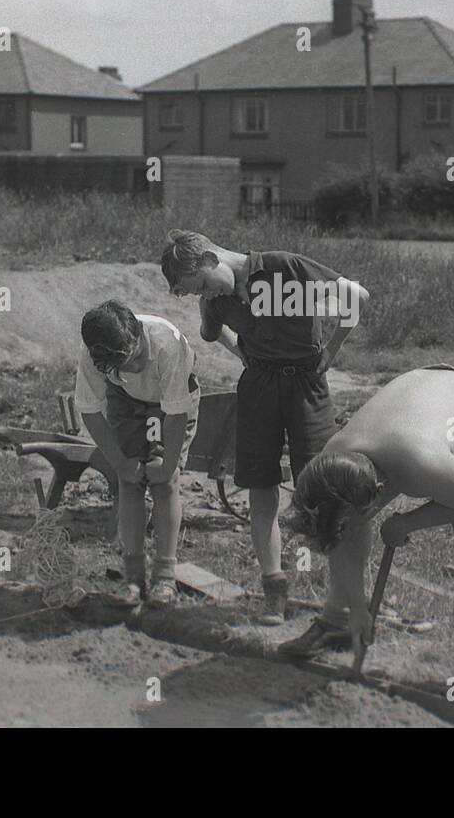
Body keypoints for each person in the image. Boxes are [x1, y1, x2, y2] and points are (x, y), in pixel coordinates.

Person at [281, 364, 454, 703]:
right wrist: (358, 606)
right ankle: (339, 619)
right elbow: (341, 530)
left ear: (380, 486)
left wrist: (406, 523)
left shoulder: (421, 462)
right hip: (423, 409)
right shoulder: (332, 460)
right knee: (346, 520)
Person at [161, 230, 368, 625]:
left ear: (209, 259)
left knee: (324, 486)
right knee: (260, 487)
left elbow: (358, 297)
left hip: (307, 383)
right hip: (258, 388)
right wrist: (240, 352)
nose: (204, 295)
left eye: (203, 284)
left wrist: (333, 349)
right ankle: (274, 589)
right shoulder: (216, 301)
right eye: (196, 293)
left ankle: (343, 593)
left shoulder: (282, 266)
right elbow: (210, 332)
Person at [75, 300, 199, 607]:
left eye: (133, 357)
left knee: (164, 482)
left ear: (138, 335)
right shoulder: (92, 357)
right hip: (126, 401)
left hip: (167, 405)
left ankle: (165, 577)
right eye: (121, 366)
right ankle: (133, 578)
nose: (132, 367)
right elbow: (90, 411)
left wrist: (167, 464)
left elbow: (175, 414)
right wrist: (120, 462)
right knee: (128, 481)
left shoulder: (168, 345)